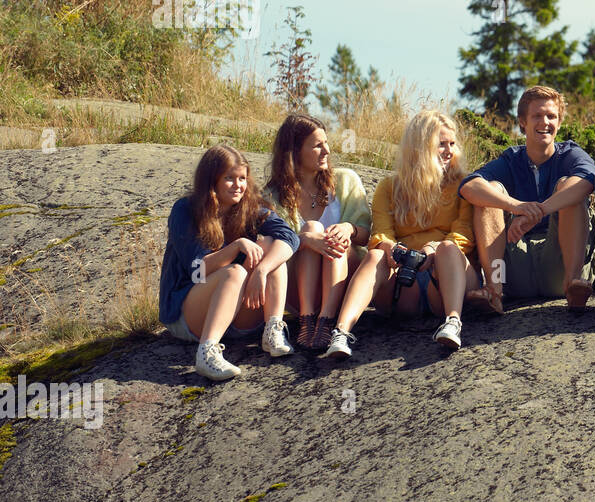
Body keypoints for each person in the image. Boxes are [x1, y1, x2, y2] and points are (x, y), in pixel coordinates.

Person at [321, 109, 482, 357]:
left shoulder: (464, 184)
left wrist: (433, 249)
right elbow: (381, 234)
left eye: (452, 143)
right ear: (419, 148)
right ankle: (341, 332)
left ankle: (453, 321)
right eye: (441, 145)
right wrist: (393, 249)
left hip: (448, 278)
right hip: (404, 283)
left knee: (448, 248)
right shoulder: (389, 187)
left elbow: (464, 234)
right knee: (374, 256)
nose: (450, 151)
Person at [159, 144, 300, 381]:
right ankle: (207, 352)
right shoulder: (186, 210)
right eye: (229, 178)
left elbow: (290, 237)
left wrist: (262, 271)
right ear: (211, 180)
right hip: (188, 314)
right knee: (233, 273)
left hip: (236, 317)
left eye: (242, 178)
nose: (238, 186)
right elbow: (196, 271)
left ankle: (272, 329)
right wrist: (236, 247)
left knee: (273, 253)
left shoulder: (250, 207)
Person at [459, 85, 595, 311]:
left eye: (551, 116)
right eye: (537, 116)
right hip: (514, 271)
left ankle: (573, 284)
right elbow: (469, 186)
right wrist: (517, 207)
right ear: (522, 122)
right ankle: (494, 290)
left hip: (559, 265)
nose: (545, 122)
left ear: (560, 122)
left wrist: (539, 211)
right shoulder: (511, 159)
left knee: (568, 186)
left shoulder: (571, 154)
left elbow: (587, 180)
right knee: (490, 192)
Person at [263, 113, 371, 351]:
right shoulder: (272, 196)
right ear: (295, 151)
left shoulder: (345, 181)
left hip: (343, 280)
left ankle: (326, 321)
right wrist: (303, 240)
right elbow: (269, 247)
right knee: (311, 230)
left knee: (333, 238)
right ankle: (307, 319)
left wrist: (348, 228)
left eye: (327, 143)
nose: (327, 151)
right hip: (298, 289)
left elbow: (367, 236)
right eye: (317, 145)